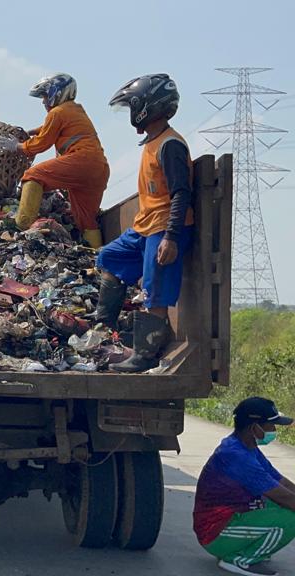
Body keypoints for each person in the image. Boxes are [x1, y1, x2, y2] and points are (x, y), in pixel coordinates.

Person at [95, 73, 194, 373]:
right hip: (145, 227)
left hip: (165, 228)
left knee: (153, 292)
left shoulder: (170, 145)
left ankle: (144, 356)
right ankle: (104, 328)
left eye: (132, 107)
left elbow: (181, 193)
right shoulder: (152, 142)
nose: (130, 114)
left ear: (149, 107)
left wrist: (171, 238)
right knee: (108, 257)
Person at [0, 73, 110, 248]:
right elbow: (47, 128)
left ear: (57, 92)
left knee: (33, 175)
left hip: (82, 161)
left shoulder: (57, 112)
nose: (43, 101)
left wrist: (18, 146)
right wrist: (31, 132)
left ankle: (22, 225)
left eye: (45, 95)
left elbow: (41, 144)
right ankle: (95, 257)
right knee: (86, 218)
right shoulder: (74, 110)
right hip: (99, 168)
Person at [194, 397, 295, 576]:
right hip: (214, 532)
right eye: (271, 426)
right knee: (290, 518)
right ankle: (240, 561)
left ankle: (245, 548)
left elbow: (281, 482)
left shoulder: (247, 448)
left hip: (232, 518)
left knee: (282, 507)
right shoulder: (236, 456)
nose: (274, 431)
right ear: (254, 428)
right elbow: (283, 496)